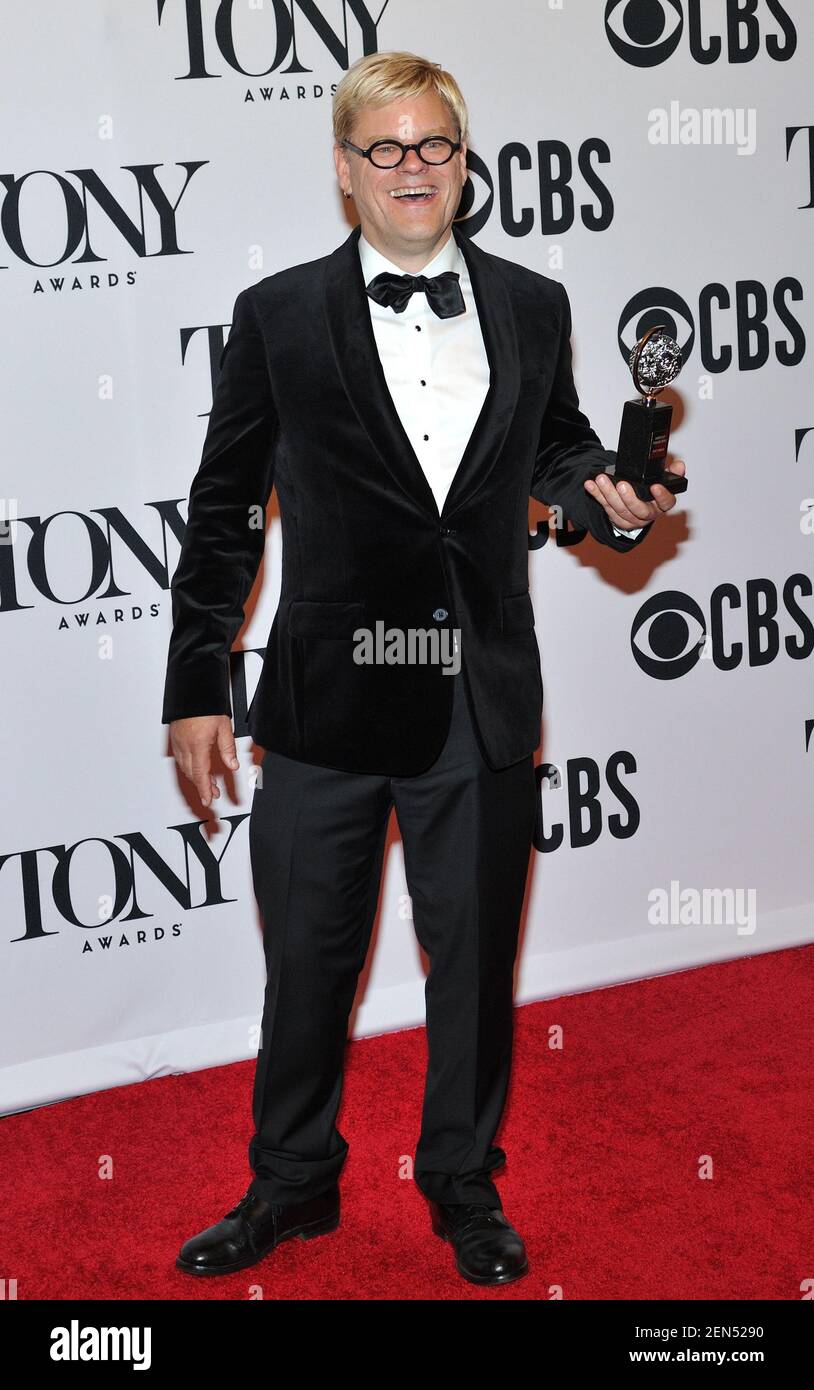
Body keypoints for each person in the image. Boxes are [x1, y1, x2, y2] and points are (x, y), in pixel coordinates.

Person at [161, 50, 684, 1288]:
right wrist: (196, 677)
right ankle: (289, 1185)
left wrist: (607, 499)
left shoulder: (531, 303)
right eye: (384, 149)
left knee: (473, 961)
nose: (412, 168)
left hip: (477, 695)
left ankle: (461, 1182)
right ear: (345, 171)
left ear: (463, 161)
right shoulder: (279, 314)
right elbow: (227, 504)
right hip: (329, 695)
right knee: (309, 959)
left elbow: (554, 455)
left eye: (433, 145)